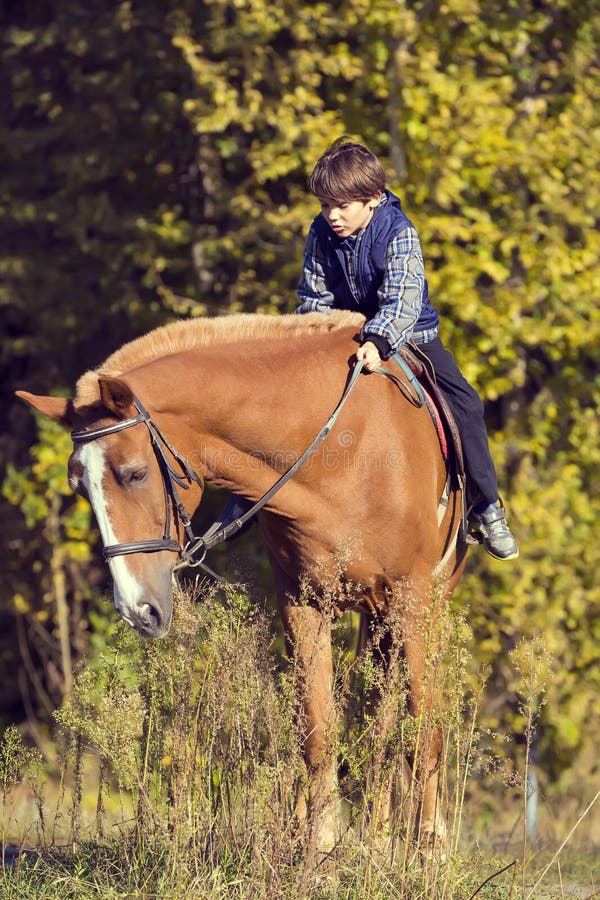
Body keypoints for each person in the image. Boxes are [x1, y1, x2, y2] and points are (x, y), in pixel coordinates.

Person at [296, 137, 518, 561]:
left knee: (467, 406)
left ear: (374, 198)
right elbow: (313, 296)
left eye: (342, 205)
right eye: (325, 205)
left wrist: (378, 340)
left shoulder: (399, 231)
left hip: (410, 337)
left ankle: (487, 507)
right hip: (342, 337)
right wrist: (315, 340)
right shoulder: (320, 232)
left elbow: (403, 299)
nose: (332, 215)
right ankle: (252, 495)